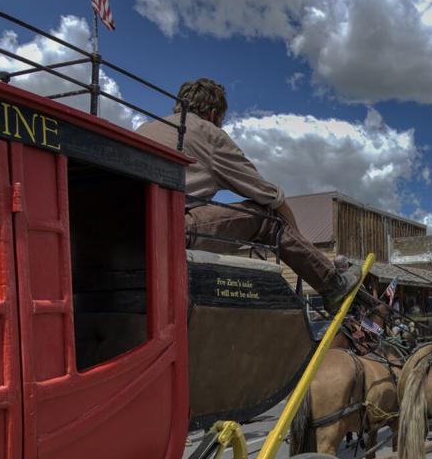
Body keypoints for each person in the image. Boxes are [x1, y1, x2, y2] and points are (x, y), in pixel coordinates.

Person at [135, 79, 367, 315]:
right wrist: (297, 237)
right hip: (170, 230)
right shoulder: (208, 133)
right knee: (267, 216)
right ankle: (332, 284)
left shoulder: (145, 128)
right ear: (214, 114)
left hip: (132, 226)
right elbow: (268, 195)